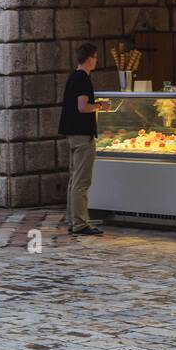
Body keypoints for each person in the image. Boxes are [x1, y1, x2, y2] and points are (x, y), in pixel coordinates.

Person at [59, 42, 109, 236]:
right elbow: (82, 106)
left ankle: (73, 219)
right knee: (82, 182)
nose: (96, 61)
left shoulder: (73, 76)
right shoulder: (83, 79)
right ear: (89, 58)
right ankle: (80, 223)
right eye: (95, 57)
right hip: (82, 136)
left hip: (72, 134)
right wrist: (100, 106)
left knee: (74, 180)